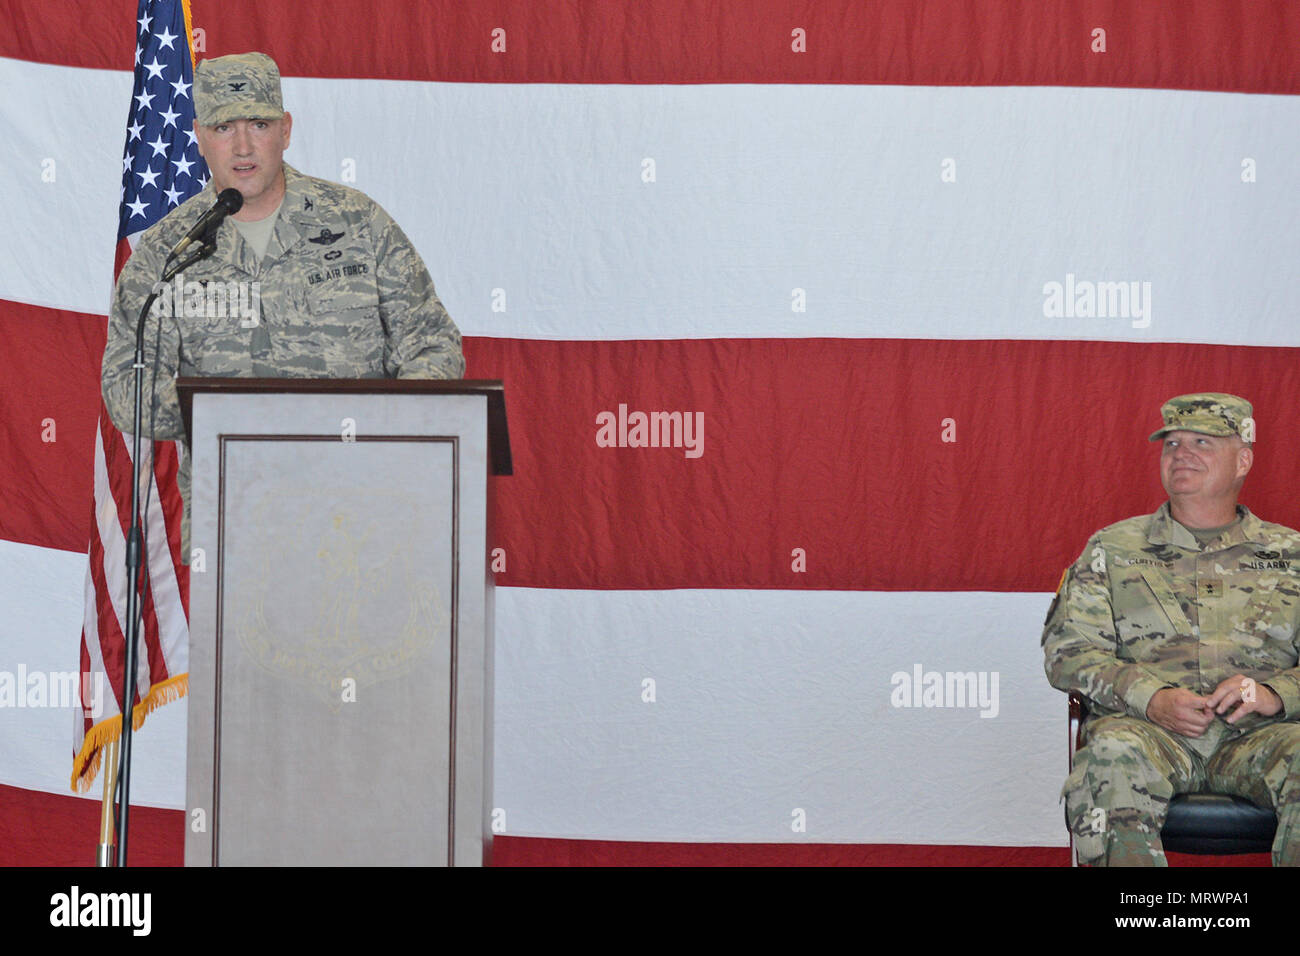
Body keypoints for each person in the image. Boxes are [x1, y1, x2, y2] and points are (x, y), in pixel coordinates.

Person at [101, 52, 464, 563]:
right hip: (236, 531)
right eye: (224, 127)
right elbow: (124, 387)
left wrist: (383, 425)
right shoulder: (167, 253)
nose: (244, 146)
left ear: (286, 130)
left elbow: (433, 343)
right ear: (199, 135)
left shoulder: (357, 223)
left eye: (259, 123)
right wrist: (224, 410)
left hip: (370, 516)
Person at [1043, 393, 1300, 866]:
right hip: (1146, 734)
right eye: (1172, 444)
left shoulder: (1291, 555)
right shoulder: (1112, 549)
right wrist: (1152, 697)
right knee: (1108, 755)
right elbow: (1068, 653)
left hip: (1261, 737)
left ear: (1243, 459)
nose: (1181, 453)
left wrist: (1274, 692)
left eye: (1202, 441)